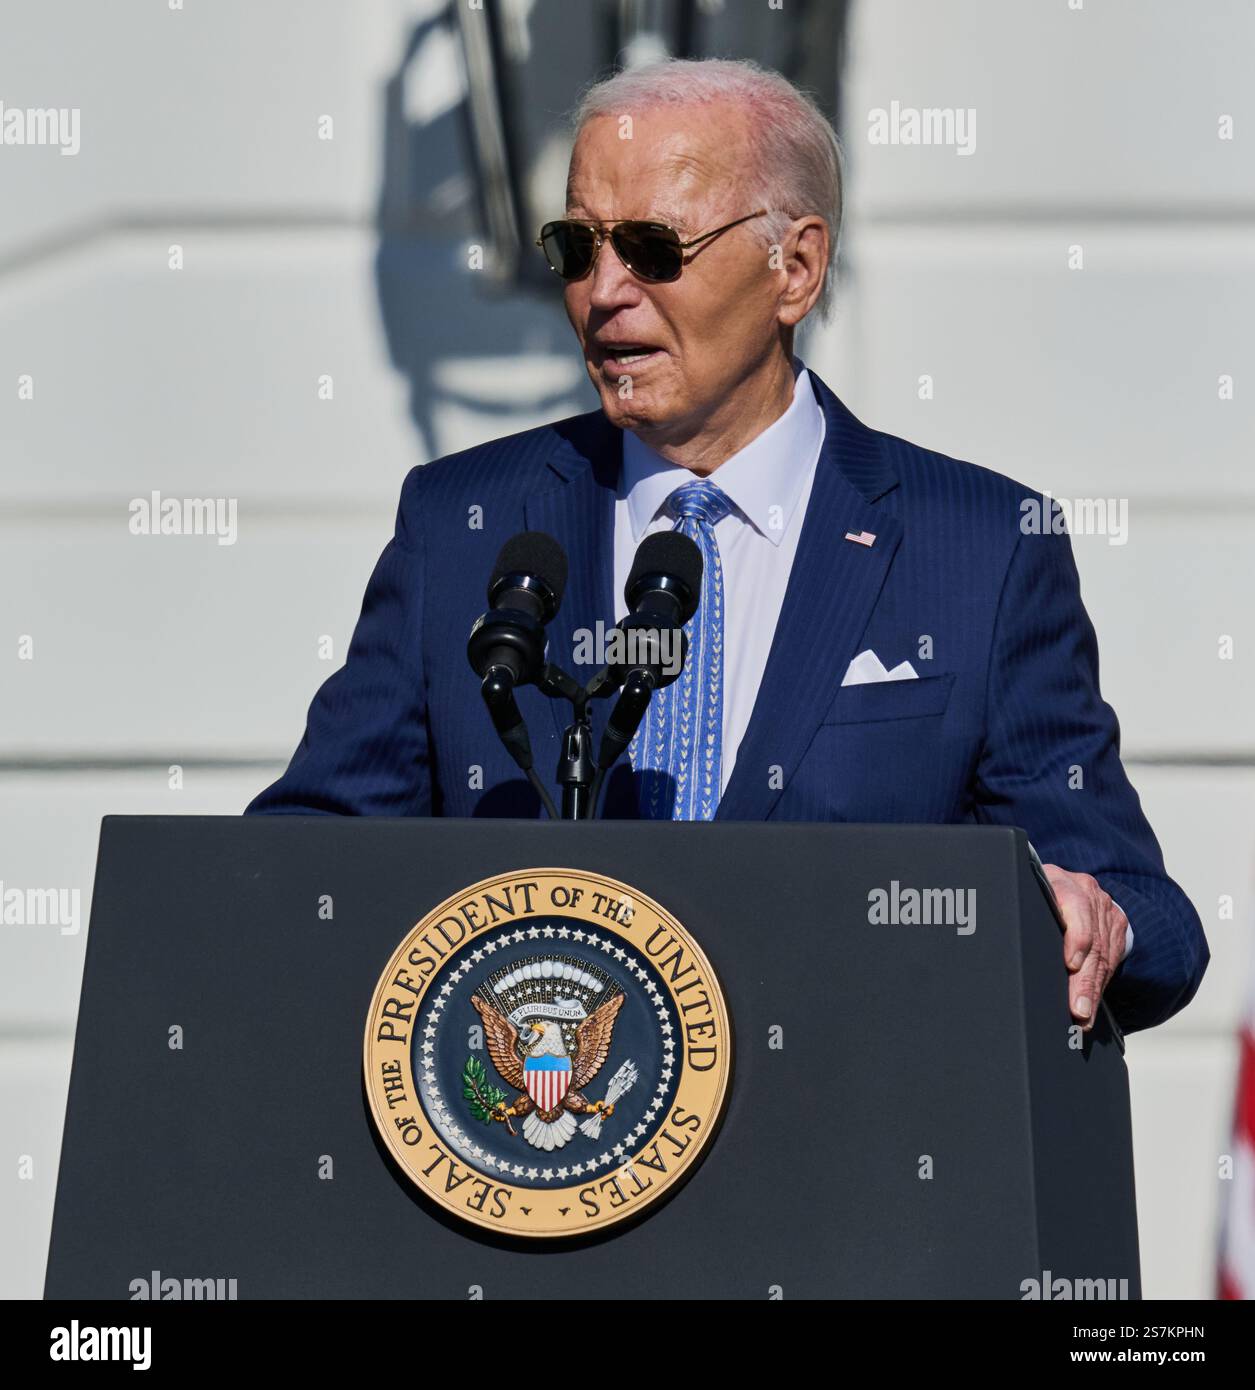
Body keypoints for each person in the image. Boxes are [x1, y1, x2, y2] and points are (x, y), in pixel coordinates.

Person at [248, 58, 1206, 1034]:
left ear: (794, 267)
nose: (604, 291)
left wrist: (1097, 919)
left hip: (850, 1153)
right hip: (540, 1138)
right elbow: (299, 860)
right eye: (578, 247)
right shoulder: (464, 526)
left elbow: (1148, 915)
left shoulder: (980, 548)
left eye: (654, 248)